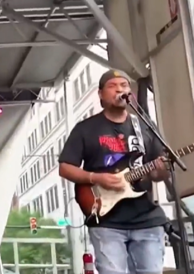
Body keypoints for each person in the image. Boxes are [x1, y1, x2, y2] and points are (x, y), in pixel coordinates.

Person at [58, 70, 169, 274]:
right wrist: (96, 177)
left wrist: (161, 171)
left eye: (124, 85)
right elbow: (65, 167)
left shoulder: (145, 127)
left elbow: (157, 174)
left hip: (147, 218)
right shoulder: (86, 129)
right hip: (106, 220)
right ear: (100, 94)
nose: (120, 89)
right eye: (113, 85)